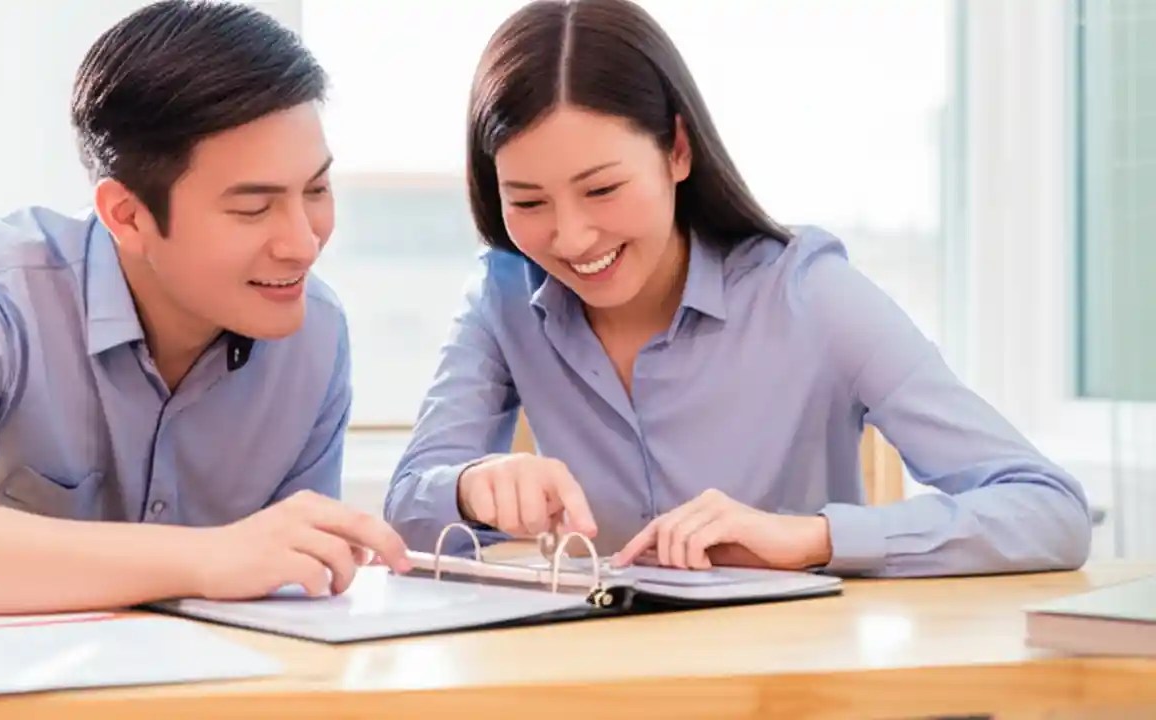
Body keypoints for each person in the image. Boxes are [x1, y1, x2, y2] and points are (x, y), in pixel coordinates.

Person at [384, 0, 1091, 577]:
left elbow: (1048, 511)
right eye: (529, 202)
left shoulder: (811, 294)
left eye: (601, 188)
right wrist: (473, 486)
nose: (570, 238)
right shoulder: (505, 295)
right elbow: (404, 513)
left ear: (678, 151)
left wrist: (813, 538)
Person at [0, 0, 411, 615]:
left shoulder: (314, 334)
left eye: (316, 190)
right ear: (127, 216)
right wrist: (207, 557)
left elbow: (298, 579)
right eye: (252, 209)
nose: (304, 243)